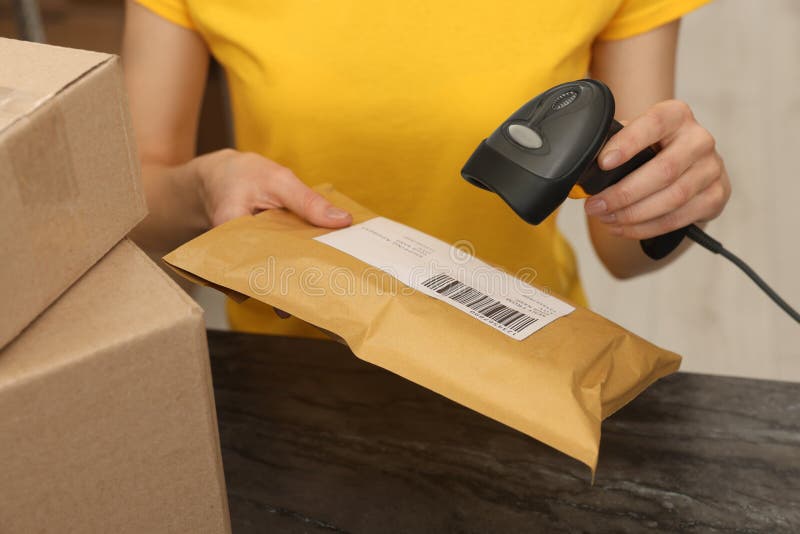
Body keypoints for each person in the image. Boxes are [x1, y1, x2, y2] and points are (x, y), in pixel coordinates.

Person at [123, 0, 730, 338]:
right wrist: (203, 188)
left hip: (520, 358)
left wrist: (677, 194)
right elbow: (134, 197)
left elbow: (623, 251)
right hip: (290, 369)